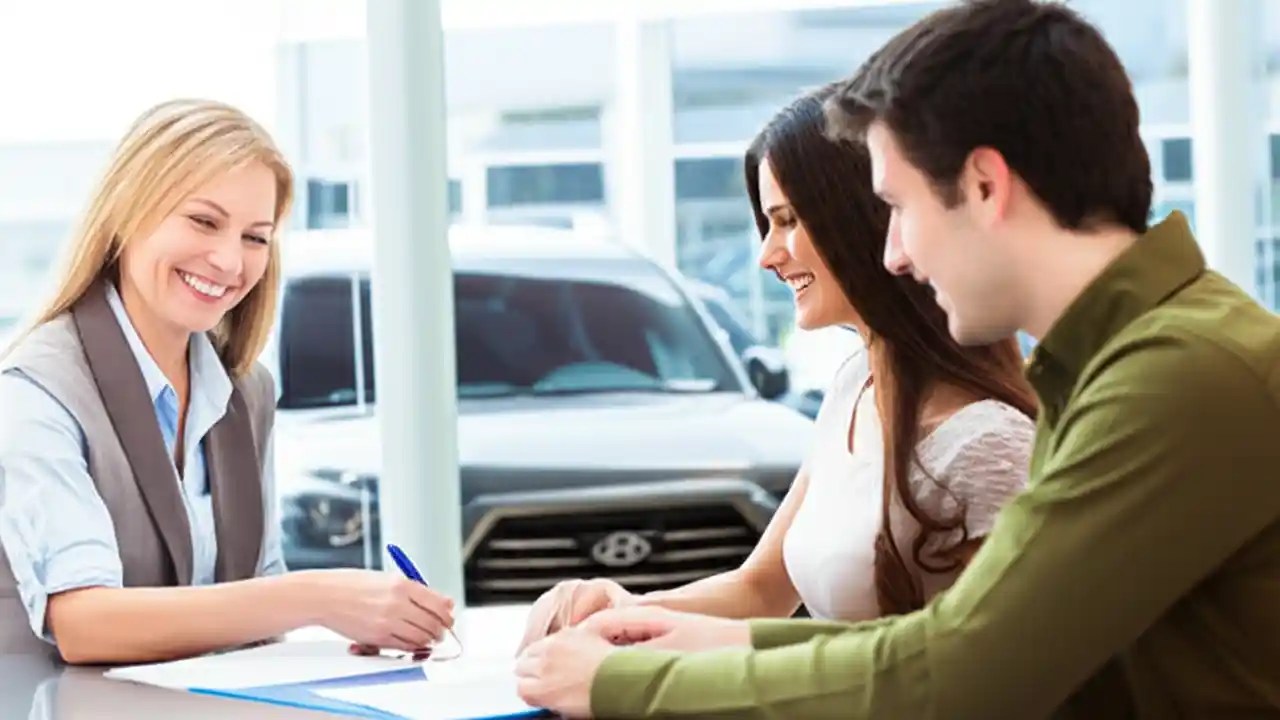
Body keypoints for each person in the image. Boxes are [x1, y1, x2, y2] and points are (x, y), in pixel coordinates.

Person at [513, 1, 1280, 717]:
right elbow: (957, 636)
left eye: (898, 207)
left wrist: (627, 683)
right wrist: (704, 641)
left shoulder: (1177, 376)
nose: (893, 255)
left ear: (985, 186)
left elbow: (968, 667)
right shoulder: (1132, 361)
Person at [518, 85, 1036, 651]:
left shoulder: (986, 445)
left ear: (861, 218)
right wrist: (615, 614)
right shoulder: (855, 386)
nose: (767, 255)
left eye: (787, 221)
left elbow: (968, 670)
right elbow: (760, 589)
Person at [0, 99, 455, 664]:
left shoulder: (245, 392)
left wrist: (348, 630)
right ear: (126, 212)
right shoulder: (35, 389)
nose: (229, 261)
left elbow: (258, 600)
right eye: (204, 221)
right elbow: (84, 625)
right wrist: (316, 598)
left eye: (255, 237)